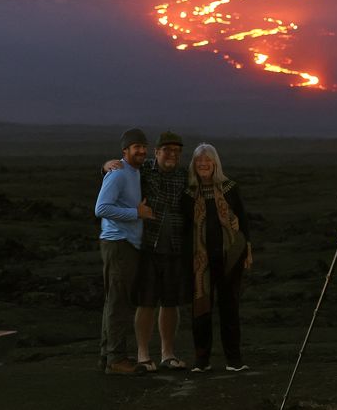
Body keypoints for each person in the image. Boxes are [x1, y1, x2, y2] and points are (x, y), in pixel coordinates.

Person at [105, 130, 191, 372]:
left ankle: (168, 354)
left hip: (175, 247)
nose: (172, 155)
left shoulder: (185, 176)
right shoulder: (142, 172)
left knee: (171, 303)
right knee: (147, 302)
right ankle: (143, 355)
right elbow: (119, 176)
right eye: (167, 150)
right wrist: (104, 167)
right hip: (148, 247)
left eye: (177, 151)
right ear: (157, 152)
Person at [186, 142, 252, 373]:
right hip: (199, 262)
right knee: (201, 309)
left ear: (215, 162)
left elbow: (242, 220)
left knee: (230, 308)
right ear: (194, 164)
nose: (203, 164)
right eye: (199, 161)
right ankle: (201, 361)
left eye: (208, 160)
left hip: (230, 258)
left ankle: (234, 360)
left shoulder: (229, 187)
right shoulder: (188, 192)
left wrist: (247, 250)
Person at [95, 127, 154, 375]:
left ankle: (107, 355)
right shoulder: (119, 174)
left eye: (143, 146)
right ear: (125, 151)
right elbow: (101, 208)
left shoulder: (136, 171)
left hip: (127, 244)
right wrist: (135, 214)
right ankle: (116, 359)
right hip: (118, 243)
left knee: (115, 301)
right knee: (119, 303)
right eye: (136, 147)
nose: (141, 150)